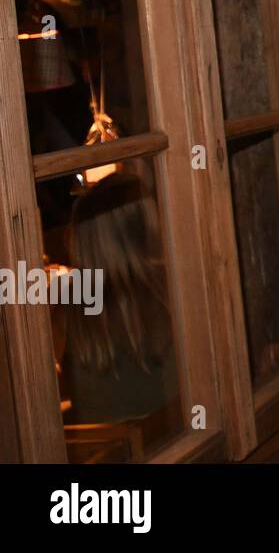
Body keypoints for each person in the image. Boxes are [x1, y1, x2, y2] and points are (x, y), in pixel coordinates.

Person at [61, 174, 179, 429]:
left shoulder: (70, 302)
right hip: (178, 441)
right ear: (143, 228)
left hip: (105, 449)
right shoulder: (174, 289)